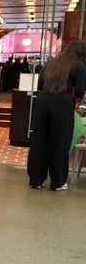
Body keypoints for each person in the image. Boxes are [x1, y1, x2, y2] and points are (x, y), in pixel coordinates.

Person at [27, 39, 86, 191]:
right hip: (63, 103)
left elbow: (40, 85)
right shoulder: (79, 66)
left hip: (43, 101)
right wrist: (76, 100)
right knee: (60, 142)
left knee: (39, 140)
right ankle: (57, 182)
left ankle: (35, 180)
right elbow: (80, 91)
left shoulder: (51, 63)